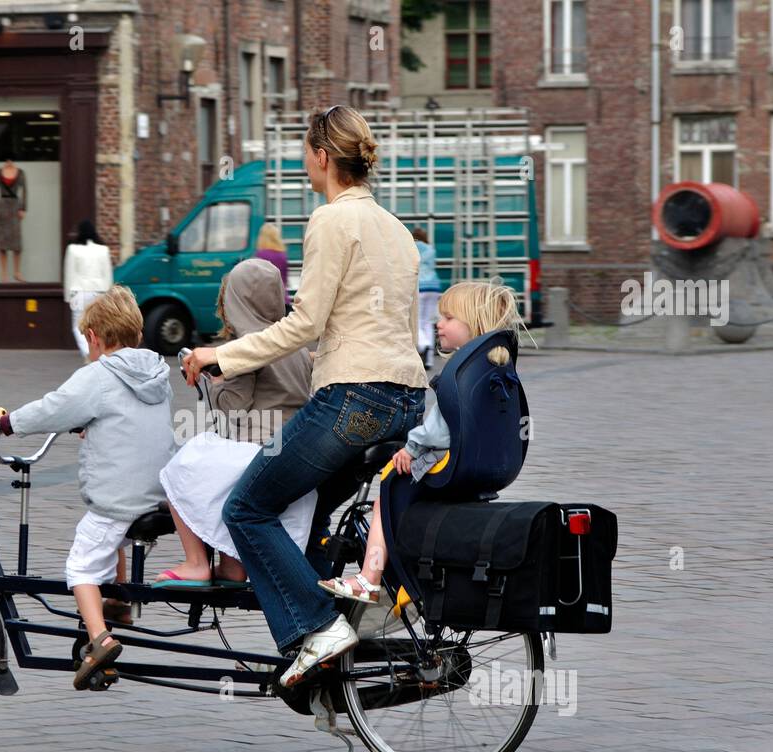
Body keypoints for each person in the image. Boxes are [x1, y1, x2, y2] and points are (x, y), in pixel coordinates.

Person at [181, 104, 427, 689]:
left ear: (322, 155)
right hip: (408, 399)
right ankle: (328, 646)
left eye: (305, 155)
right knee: (312, 508)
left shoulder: (330, 220)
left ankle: (317, 628)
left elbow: (306, 322)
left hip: (353, 400)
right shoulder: (396, 228)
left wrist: (221, 355)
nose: (303, 166)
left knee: (247, 507)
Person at [0, 286, 174, 689]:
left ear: (93, 337)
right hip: (158, 496)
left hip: (120, 498)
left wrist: (8, 422)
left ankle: (100, 639)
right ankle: (119, 604)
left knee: (81, 565)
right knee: (114, 536)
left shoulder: (97, 376)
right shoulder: (157, 372)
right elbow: (128, 421)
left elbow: (54, 407)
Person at [320, 279, 521, 603]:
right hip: (484, 468)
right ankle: (405, 580)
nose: (438, 323)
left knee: (389, 486)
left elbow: (439, 430)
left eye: (448, 318)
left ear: (473, 324)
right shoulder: (498, 368)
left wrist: (411, 449)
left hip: (447, 461)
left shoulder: (463, 372)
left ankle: (369, 578)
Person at [154, 258, 314, 587]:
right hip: (291, 452)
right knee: (225, 483)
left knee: (180, 469)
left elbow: (234, 408)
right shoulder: (295, 345)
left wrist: (211, 386)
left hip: (255, 448)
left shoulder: (244, 348)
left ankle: (196, 562)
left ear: (236, 301)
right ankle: (232, 567)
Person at [63, 220, 113, 361]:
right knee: (97, 325)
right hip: (99, 291)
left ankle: (88, 353)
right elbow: (107, 274)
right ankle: (99, 352)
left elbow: (69, 273)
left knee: (78, 326)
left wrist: (68, 297)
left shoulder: (73, 249)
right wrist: (109, 296)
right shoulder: (103, 250)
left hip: (79, 292)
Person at [0, 159, 27, 282]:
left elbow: (25, 191)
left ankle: (17, 271)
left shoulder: (20, 173)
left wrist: (23, 208)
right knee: (2, 242)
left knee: (17, 242)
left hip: (15, 206)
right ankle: (4, 274)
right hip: (1, 207)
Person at [412, 227, 442, 369]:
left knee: (418, 320)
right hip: (434, 286)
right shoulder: (431, 249)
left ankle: (423, 346)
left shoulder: (411, 247)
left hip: (419, 286)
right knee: (429, 322)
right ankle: (429, 360)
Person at [253, 222, 291, 305]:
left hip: (266, 302)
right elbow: (285, 279)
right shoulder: (282, 254)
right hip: (282, 299)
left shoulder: (260, 255)